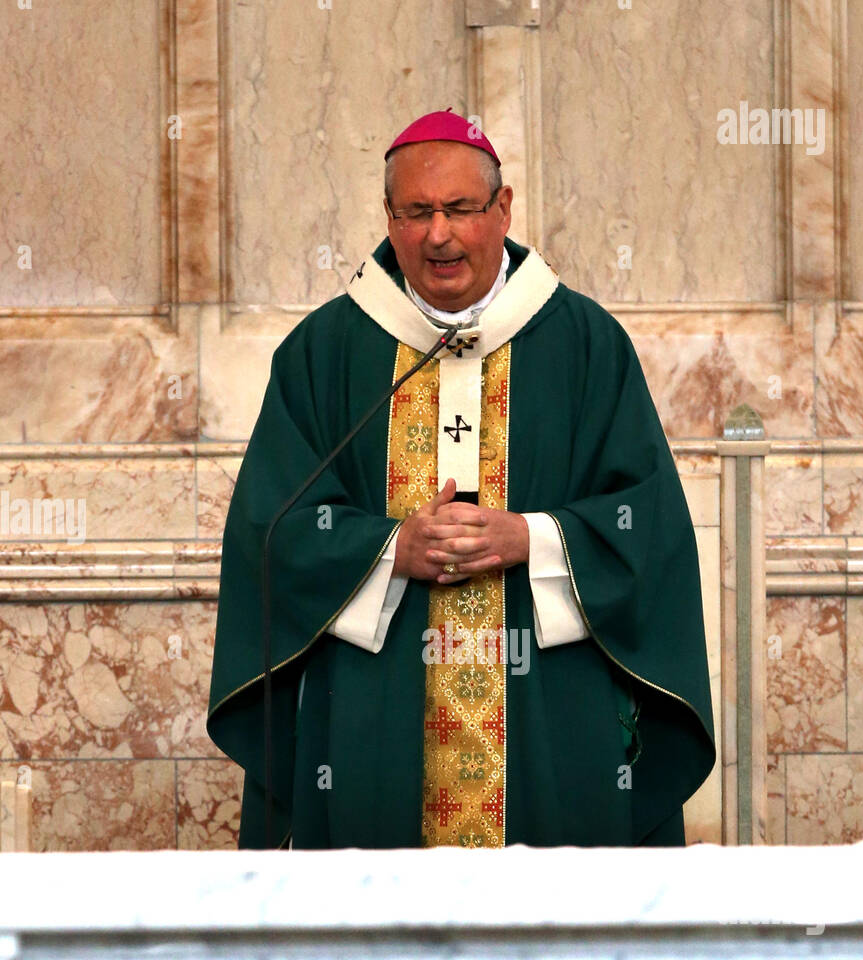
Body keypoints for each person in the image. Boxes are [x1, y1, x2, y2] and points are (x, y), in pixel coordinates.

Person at [207, 110, 715, 850]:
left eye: (458, 209)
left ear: (501, 209)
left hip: (548, 709)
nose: (436, 235)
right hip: (374, 719)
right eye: (414, 212)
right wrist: (388, 552)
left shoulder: (583, 343)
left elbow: (650, 532)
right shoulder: (325, 350)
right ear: (388, 216)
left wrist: (533, 538)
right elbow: (270, 531)